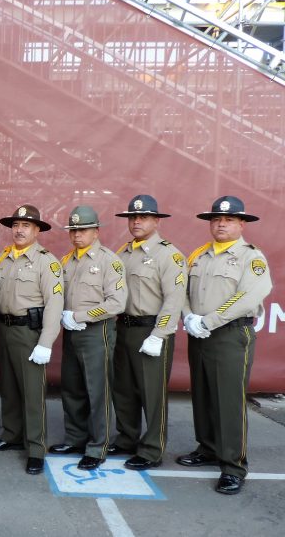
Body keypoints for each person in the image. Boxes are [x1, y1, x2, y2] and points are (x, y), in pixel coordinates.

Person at [178, 196, 272, 495]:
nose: (221, 224)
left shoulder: (251, 257)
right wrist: (189, 316)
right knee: (203, 394)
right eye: (216, 219)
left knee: (228, 401)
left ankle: (233, 466)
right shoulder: (199, 255)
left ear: (241, 224)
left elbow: (248, 296)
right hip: (199, 333)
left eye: (229, 220)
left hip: (230, 335)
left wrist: (209, 321)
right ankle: (208, 448)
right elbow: (183, 290)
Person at [0, 204, 63, 475]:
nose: (19, 230)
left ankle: (36, 449)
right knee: (9, 387)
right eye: (16, 225)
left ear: (37, 230)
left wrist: (46, 342)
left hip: (29, 333)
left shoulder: (47, 262)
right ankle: (12, 434)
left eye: (26, 226)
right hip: (6, 329)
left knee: (32, 393)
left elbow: (54, 304)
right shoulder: (4, 258)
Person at [111, 195, 186, 470]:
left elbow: (174, 299)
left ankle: (152, 449)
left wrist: (159, 334)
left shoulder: (169, 255)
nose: (136, 221)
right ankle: (126, 438)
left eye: (143, 217)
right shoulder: (123, 253)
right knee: (124, 389)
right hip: (124, 327)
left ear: (156, 221)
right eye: (133, 217)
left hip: (151, 330)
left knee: (152, 394)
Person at [49, 206, 127, 470]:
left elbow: (116, 303)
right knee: (72, 387)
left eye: (82, 230)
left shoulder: (109, 261)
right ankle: (75, 438)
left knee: (97, 391)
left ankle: (97, 446)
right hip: (71, 331)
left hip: (96, 332)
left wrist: (81, 316)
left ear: (96, 231)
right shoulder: (67, 260)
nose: (77, 235)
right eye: (73, 230)